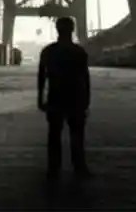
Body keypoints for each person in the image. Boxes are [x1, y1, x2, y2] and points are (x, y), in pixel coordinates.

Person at [37, 17, 91, 178]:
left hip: (56, 97)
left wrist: (40, 97)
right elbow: (85, 77)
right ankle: (79, 167)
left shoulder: (48, 51)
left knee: (54, 134)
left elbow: (41, 77)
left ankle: (53, 168)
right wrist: (87, 99)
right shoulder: (79, 52)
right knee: (77, 135)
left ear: (57, 29)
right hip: (75, 98)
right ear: (72, 30)